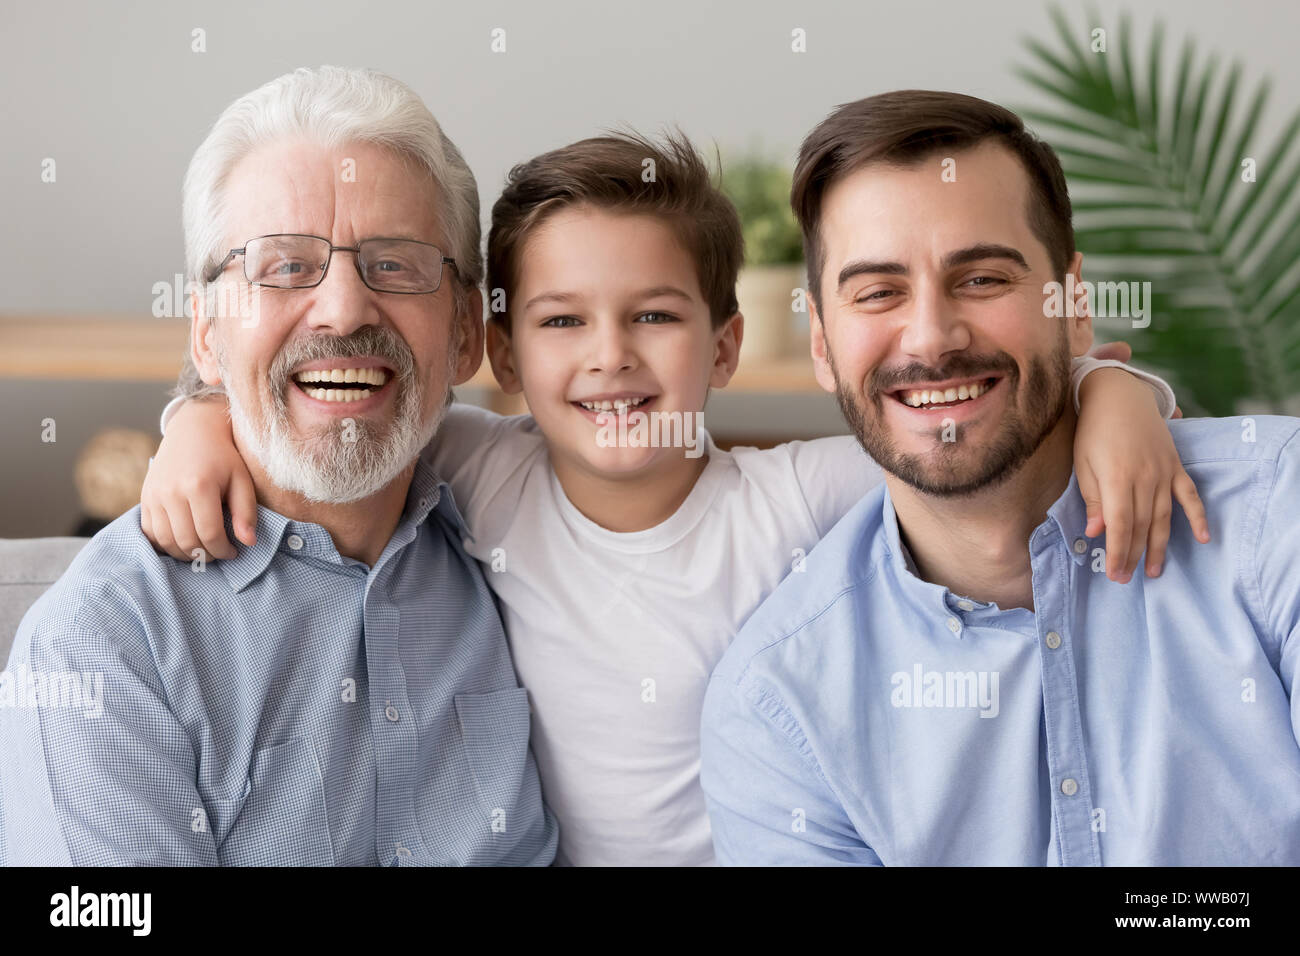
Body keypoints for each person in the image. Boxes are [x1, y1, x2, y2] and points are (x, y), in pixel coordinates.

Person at [140, 127, 1199, 866]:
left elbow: (974, 438)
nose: (609, 358)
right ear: (498, 352)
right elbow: (329, 402)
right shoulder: (478, 465)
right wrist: (194, 420)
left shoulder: (797, 492)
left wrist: (1120, 393)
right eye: (562, 323)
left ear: (725, 344)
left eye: (654, 316)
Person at [700, 89, 1299, 865]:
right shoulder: (778, 710)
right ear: (820, 342)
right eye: (878, 292)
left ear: (1074, 306)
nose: (933, 337)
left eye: (982, 279)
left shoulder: (1277, 511)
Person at [0, 66, 556, 866]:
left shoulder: (526, 535)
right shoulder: (103, 646)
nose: (344, 308)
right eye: (285, 266)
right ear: (205, 335)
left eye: (395, 264)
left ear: (467, 330)